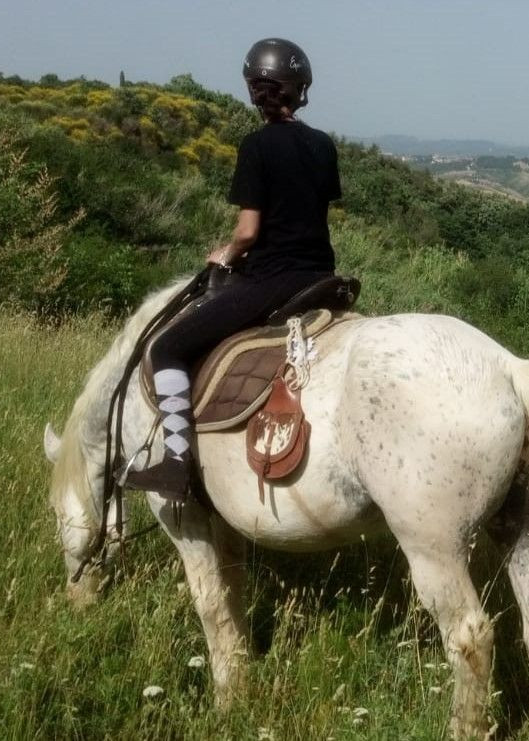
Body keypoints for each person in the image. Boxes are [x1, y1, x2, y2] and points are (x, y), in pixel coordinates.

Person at [123, 38, 343, 500]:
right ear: (299, 89)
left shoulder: (257, 146)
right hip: (321, 277)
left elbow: (247, 232)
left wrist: (223, 253)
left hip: (272, 279)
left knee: (167, 347)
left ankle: (177, 463)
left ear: (254, 90)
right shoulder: (323, 145)